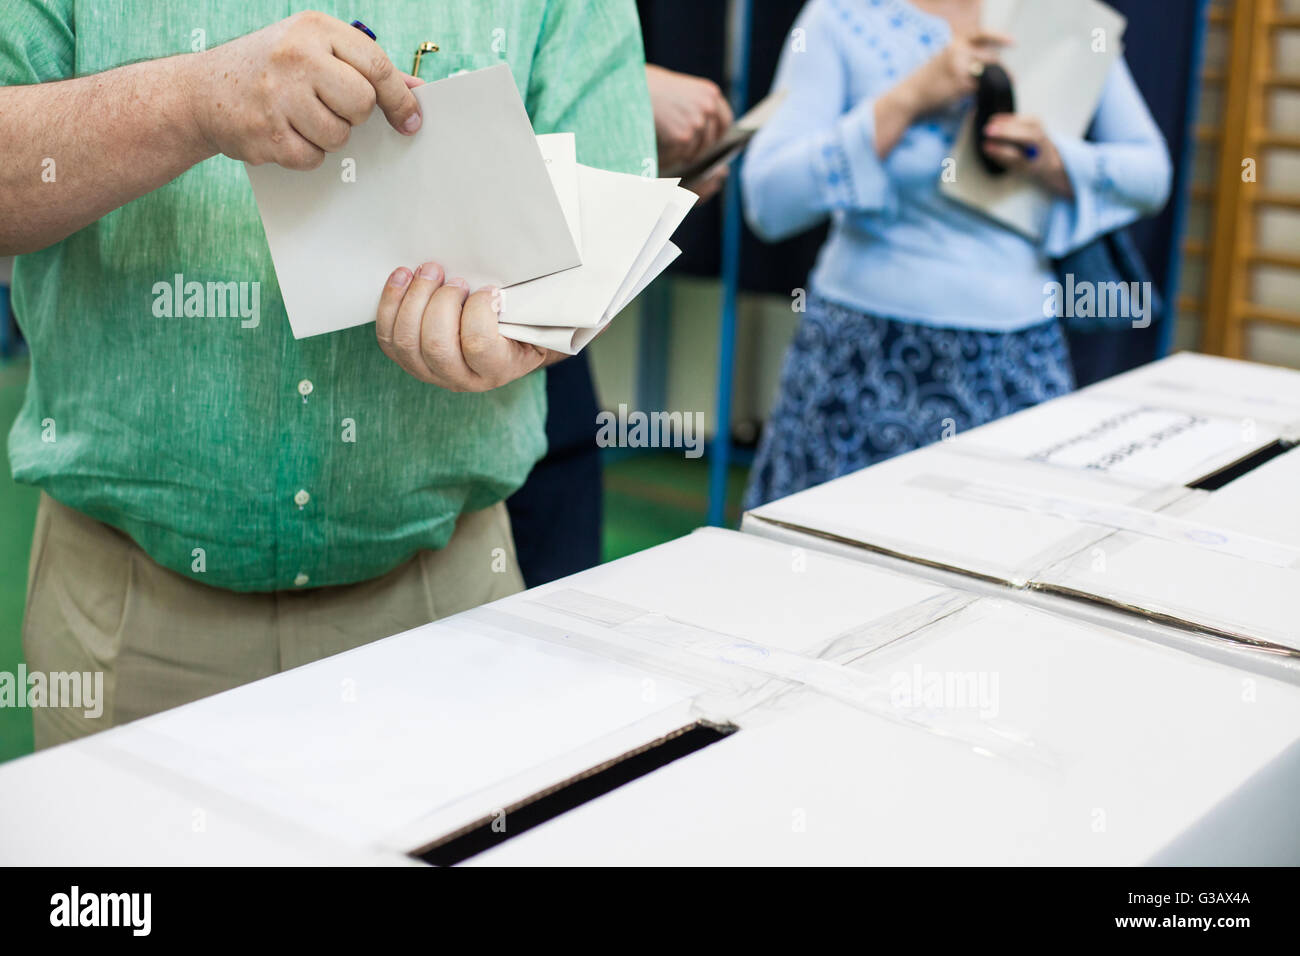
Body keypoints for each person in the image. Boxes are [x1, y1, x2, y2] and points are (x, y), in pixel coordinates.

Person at [0, 1, 655, 748]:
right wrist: (191, 103)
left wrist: (533, 326)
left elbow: (611, 201)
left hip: (447, 614)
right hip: (126, 624)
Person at [740, 0, 1171, 507]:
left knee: (1004, 559)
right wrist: (905, 101)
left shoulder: (1060, 15)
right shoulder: (840, 16)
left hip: (1014, 359)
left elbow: (1152, 174)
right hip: (857, 360)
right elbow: (767, 199)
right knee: (825, 562)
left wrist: (1053, 159)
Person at [507, 62, 731, 588]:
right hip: (471, 327)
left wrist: (649, 157)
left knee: (559, 590)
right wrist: (632, 84)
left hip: (553, 383)